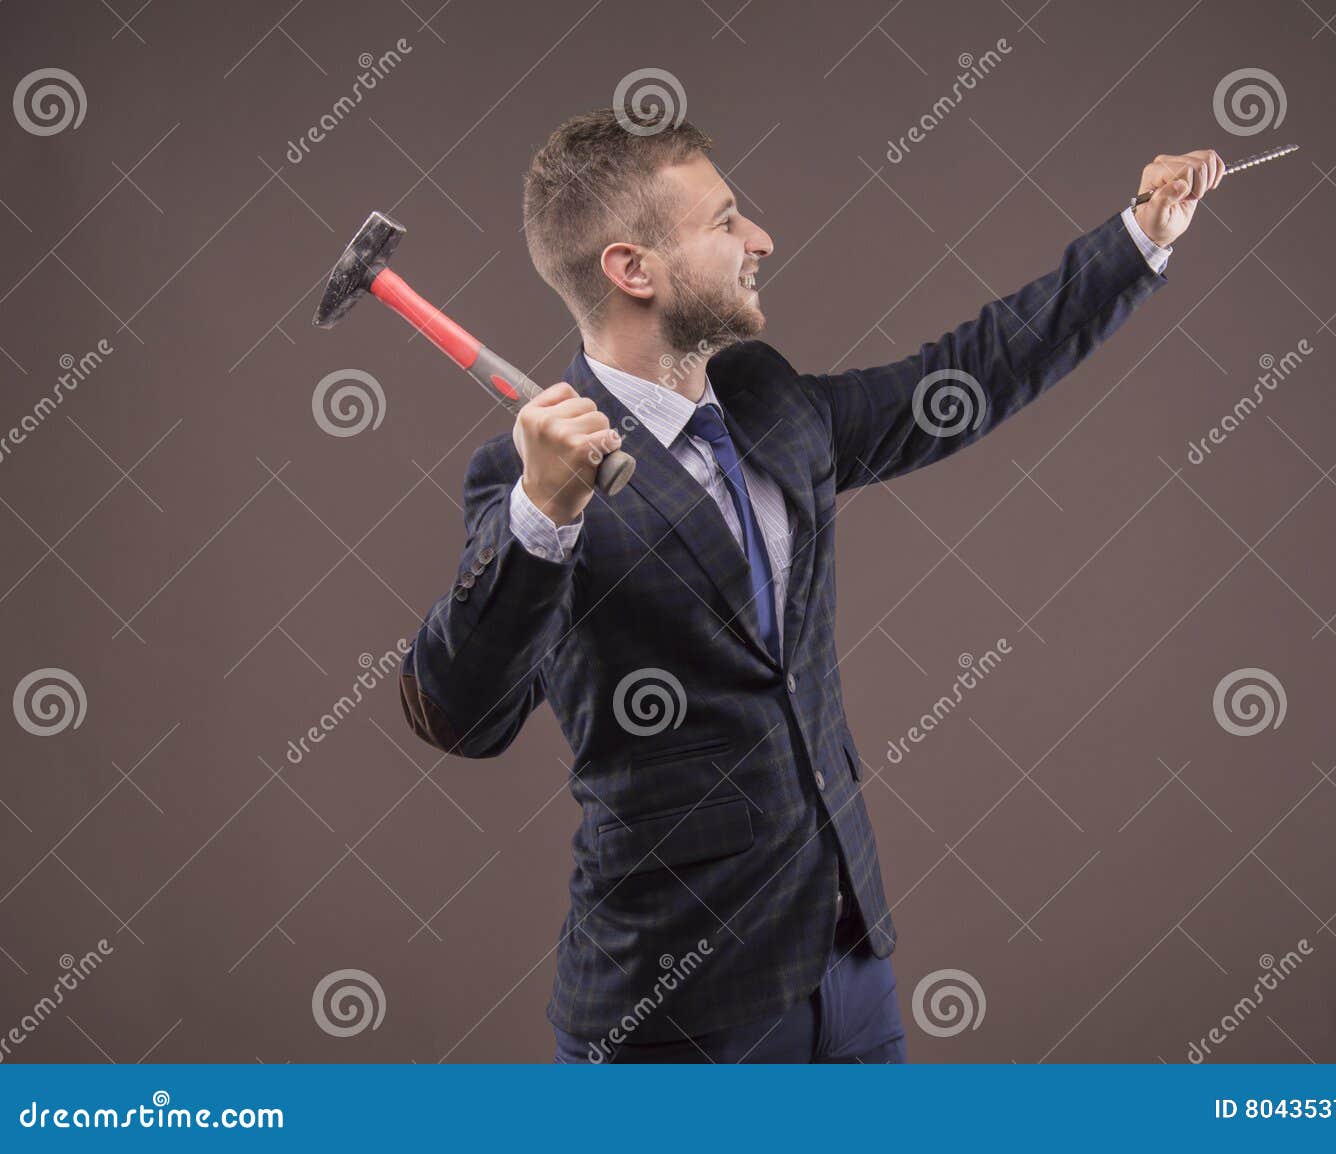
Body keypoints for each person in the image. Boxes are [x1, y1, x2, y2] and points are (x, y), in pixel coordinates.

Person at [399, 105, 1223, 1062]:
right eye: (723, 222)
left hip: (849, 964)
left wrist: (1139, 239)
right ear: (634, 270)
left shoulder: (768, 400)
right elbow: (460, 714)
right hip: (678, 1015)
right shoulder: (529, 482)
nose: (760, 240)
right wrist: (544, 514)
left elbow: (963, 379)